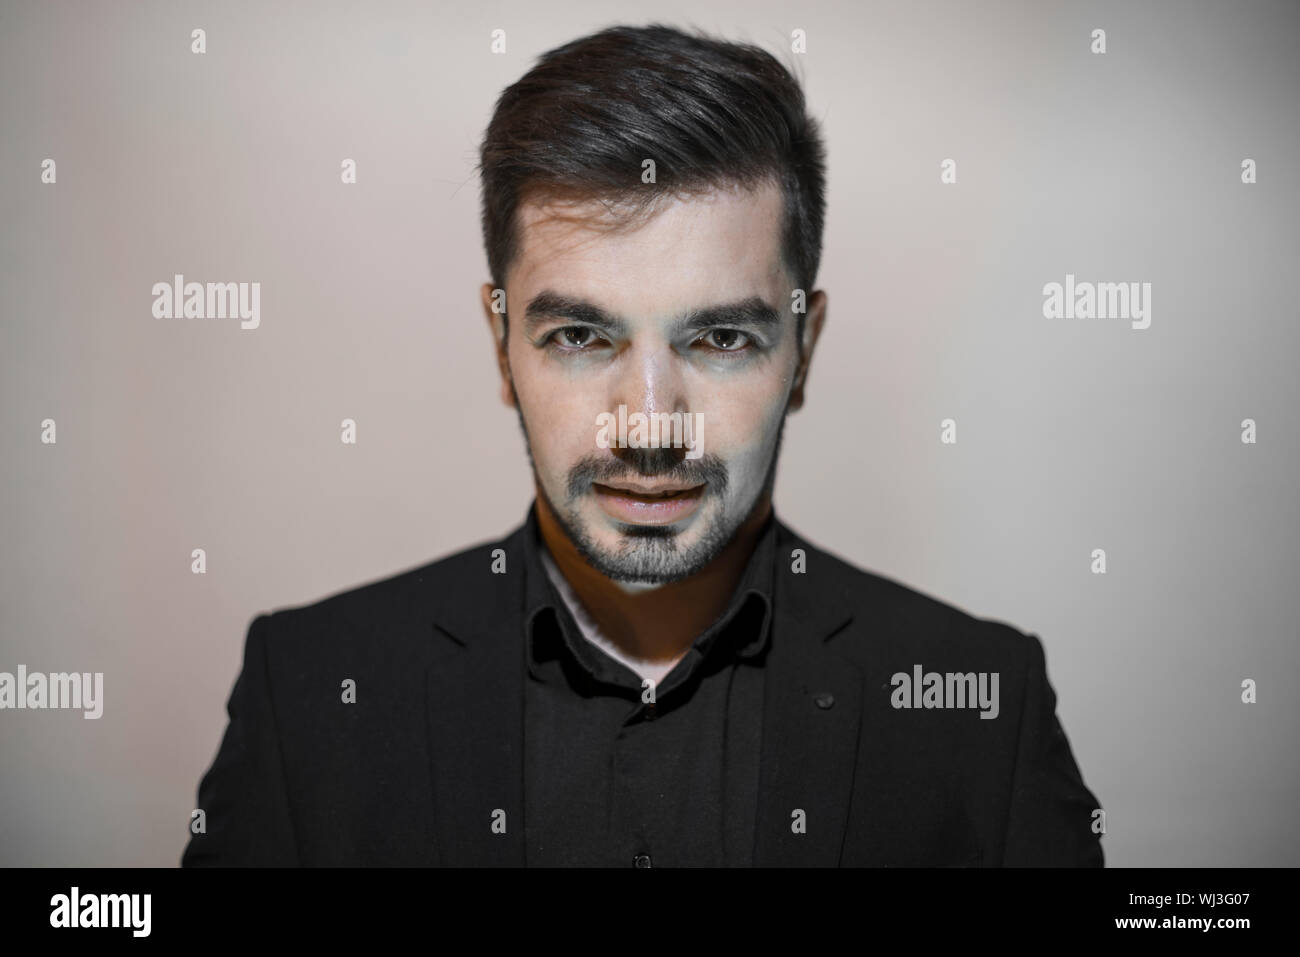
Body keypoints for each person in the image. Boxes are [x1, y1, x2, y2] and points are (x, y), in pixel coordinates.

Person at [182, 22, 1103, 867]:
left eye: (720, 339)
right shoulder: (306, 695)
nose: (650, 424)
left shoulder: (981, 709)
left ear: (803, 350)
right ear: (502, 347)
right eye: (580, 338)